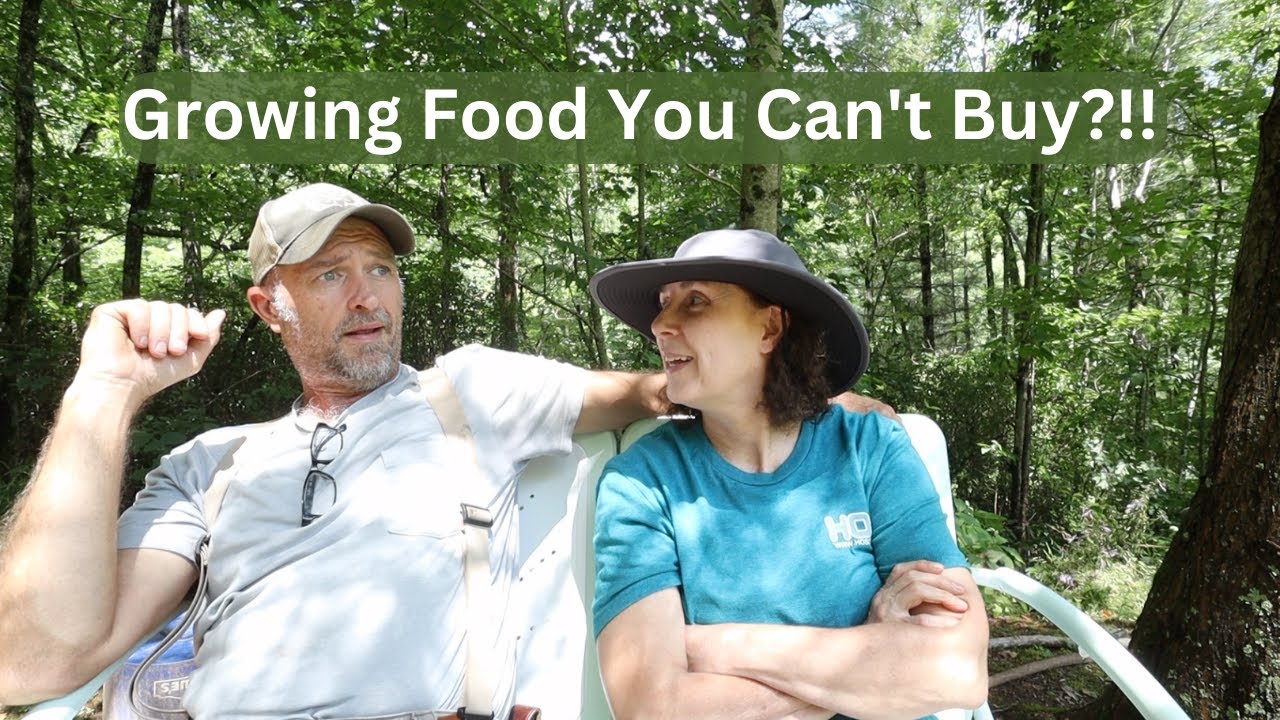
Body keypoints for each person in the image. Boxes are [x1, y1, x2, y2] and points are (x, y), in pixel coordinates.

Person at [0, 182, 673, 720]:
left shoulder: (475, 394)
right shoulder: (210, 466)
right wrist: (104, 392)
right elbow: (28, 664)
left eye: (380, 268)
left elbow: (658, 393)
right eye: (329, 275)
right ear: (269, 307)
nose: (366, 297)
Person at [588, 229, 989, 720]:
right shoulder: (642, 481)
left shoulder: (869, 447)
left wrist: (712, 646)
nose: (659, 324)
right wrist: (873, 653)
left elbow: (958, 670)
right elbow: (652, 708)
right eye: (663, 303)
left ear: (769, 328)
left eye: (695, 301)